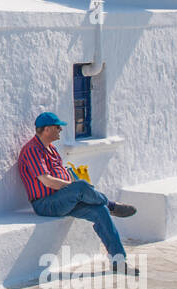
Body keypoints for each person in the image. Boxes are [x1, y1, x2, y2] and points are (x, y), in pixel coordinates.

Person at [16, 111, 139, 275]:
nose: (60, 130)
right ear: (46, 129)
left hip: (63, 200)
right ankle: (111, 205)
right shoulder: (32, 150)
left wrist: (73, 186)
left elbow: (61, 173)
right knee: (80, 187)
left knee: (99, 211)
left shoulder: (51, 149)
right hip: (46, 203)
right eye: (57, 127)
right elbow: (46, 180)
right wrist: (73, 188)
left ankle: (119, 262)